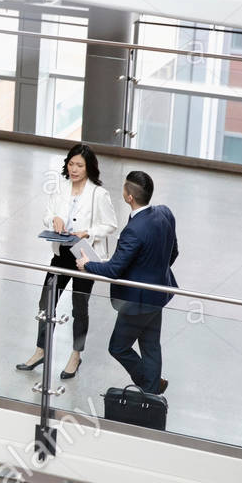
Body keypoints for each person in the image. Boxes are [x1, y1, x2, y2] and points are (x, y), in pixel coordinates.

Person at [17, 143, 118, 380]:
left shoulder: (98, 194)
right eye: (71, 164)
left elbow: (111, 225)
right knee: (46, 303)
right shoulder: (61, 187)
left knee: (79, 308)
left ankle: (76, 354)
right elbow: (47, 213)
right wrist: (55, 219)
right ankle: (41, 350)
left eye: (79, 165)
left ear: (89, 167)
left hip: (84, 257)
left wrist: (87, 232)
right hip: (61, 254)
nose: (74, 169)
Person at [76, 170, 179, 396]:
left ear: (129, 197)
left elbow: (114, 269)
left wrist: (87, 264)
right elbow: (173, 252)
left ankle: (150, 385)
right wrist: (152, 270)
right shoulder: (164, 214)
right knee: (151, 346)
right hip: (158, 294)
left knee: (118, 347)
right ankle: (152, 394)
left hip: (136, 302)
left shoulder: (133, 230)